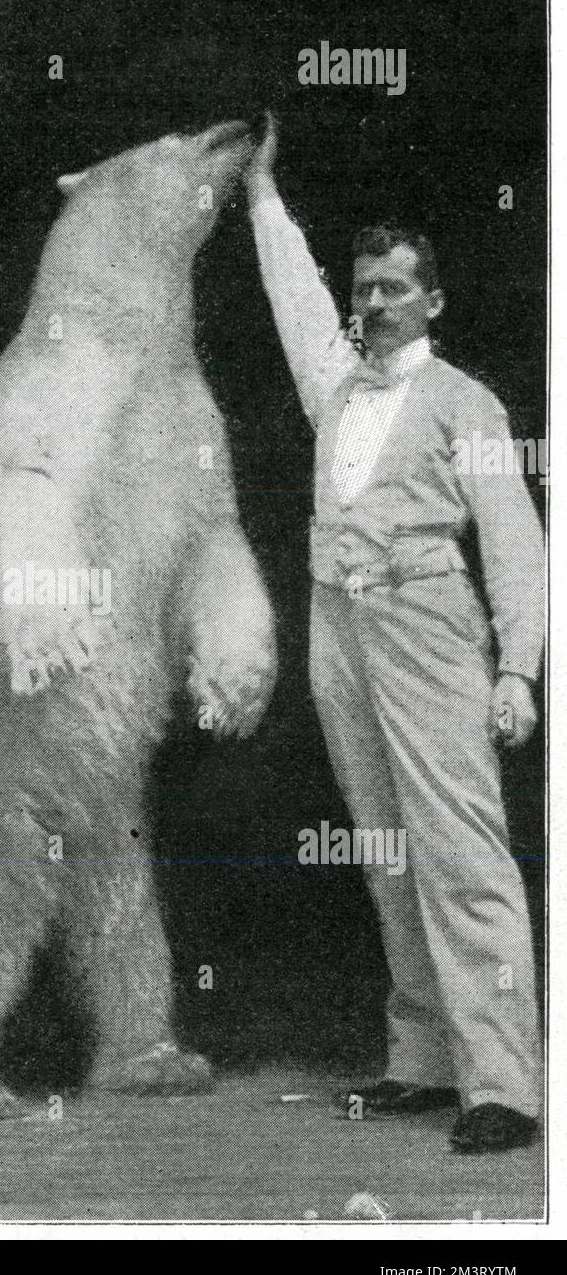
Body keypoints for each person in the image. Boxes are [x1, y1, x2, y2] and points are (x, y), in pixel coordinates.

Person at [244, 113, 544, 1152]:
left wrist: (517, 667)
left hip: (427, 625)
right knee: (383, 845)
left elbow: (511, 536)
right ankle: (419, 1061)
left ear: (432, 300)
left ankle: (502, 1083)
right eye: (362, 287)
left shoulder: (466, 401)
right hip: (339, 625)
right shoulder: (335, 386)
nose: (371, 304)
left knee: (459, 849)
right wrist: (262, 199)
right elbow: (294, 306)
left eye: (390, 289)